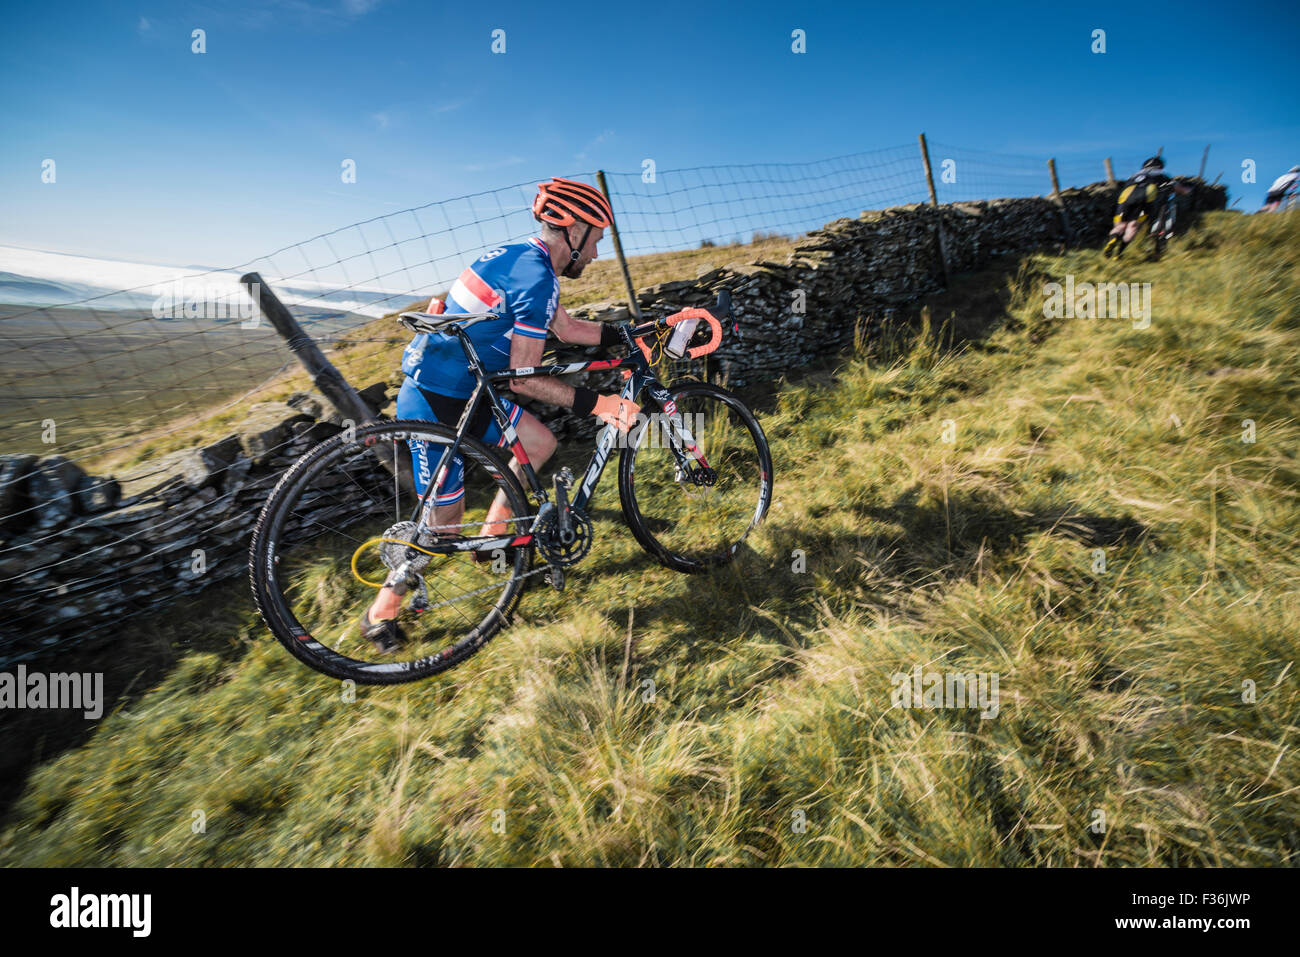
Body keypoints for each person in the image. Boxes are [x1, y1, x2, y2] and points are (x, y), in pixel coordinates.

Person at [360, 177, 642, 649]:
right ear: (571, 230)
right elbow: (523, 378)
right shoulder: (535, 275)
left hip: (468, 393)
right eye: (595, 241)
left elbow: (565, 327)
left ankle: (493, 541)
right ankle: (380, 611)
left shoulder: (521, 258)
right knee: (443, 524)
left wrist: (626, 334)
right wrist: (602, 405)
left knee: (538, 443)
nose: (595, 254)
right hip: (436, 402)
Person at [1104, 156, 1193, 258]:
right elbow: (1179, 188)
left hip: (1127, 194)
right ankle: (1119, 253)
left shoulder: (1134, 175)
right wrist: (1188, 189)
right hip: (1147, 194)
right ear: (1159, 167)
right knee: (1133, 226)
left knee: (1119, 225)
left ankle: (1113, 238)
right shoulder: (1161, 175)